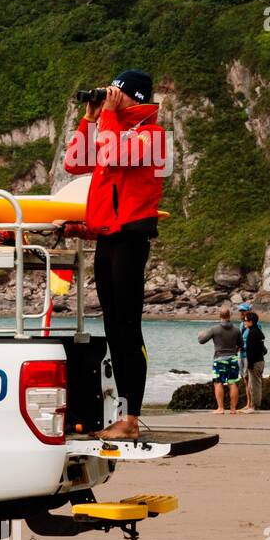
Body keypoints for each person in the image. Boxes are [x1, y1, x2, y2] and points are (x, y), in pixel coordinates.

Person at [63, 69, 166, 439]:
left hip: (131, 238)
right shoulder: (112, 130)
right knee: (110, 324)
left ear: (130, 96)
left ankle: (132, 418)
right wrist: (88, 119)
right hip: (107, 237)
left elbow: (113, 154)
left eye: (114, 93)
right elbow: (75, 162)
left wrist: (106, 117)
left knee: (127, 326)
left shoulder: (153, 137)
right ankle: (121, 415)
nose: (108, 98)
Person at [198, 306, 242, 415]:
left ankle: (221, 408)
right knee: (233, 383)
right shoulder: (236, 329)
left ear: (220, 316)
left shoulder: (215, 329)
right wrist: (234, 352)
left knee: (218, 383)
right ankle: (233, 409)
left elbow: (202, 341)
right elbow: (241, 344)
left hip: (219, 359)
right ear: (229, 316)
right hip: (232, 358)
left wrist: (200, 335)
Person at [242, 310, 267, 412]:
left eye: (246, 320)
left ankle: (254, 407)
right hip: (260, 361)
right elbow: (264, 350)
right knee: (255, 384)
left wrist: (250, 364)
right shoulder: (258, 332)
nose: (244, 322)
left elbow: (251, 351)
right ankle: (254, 406)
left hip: (255, 362)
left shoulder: (252, 333)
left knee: (254, 386)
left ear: (251, 322)